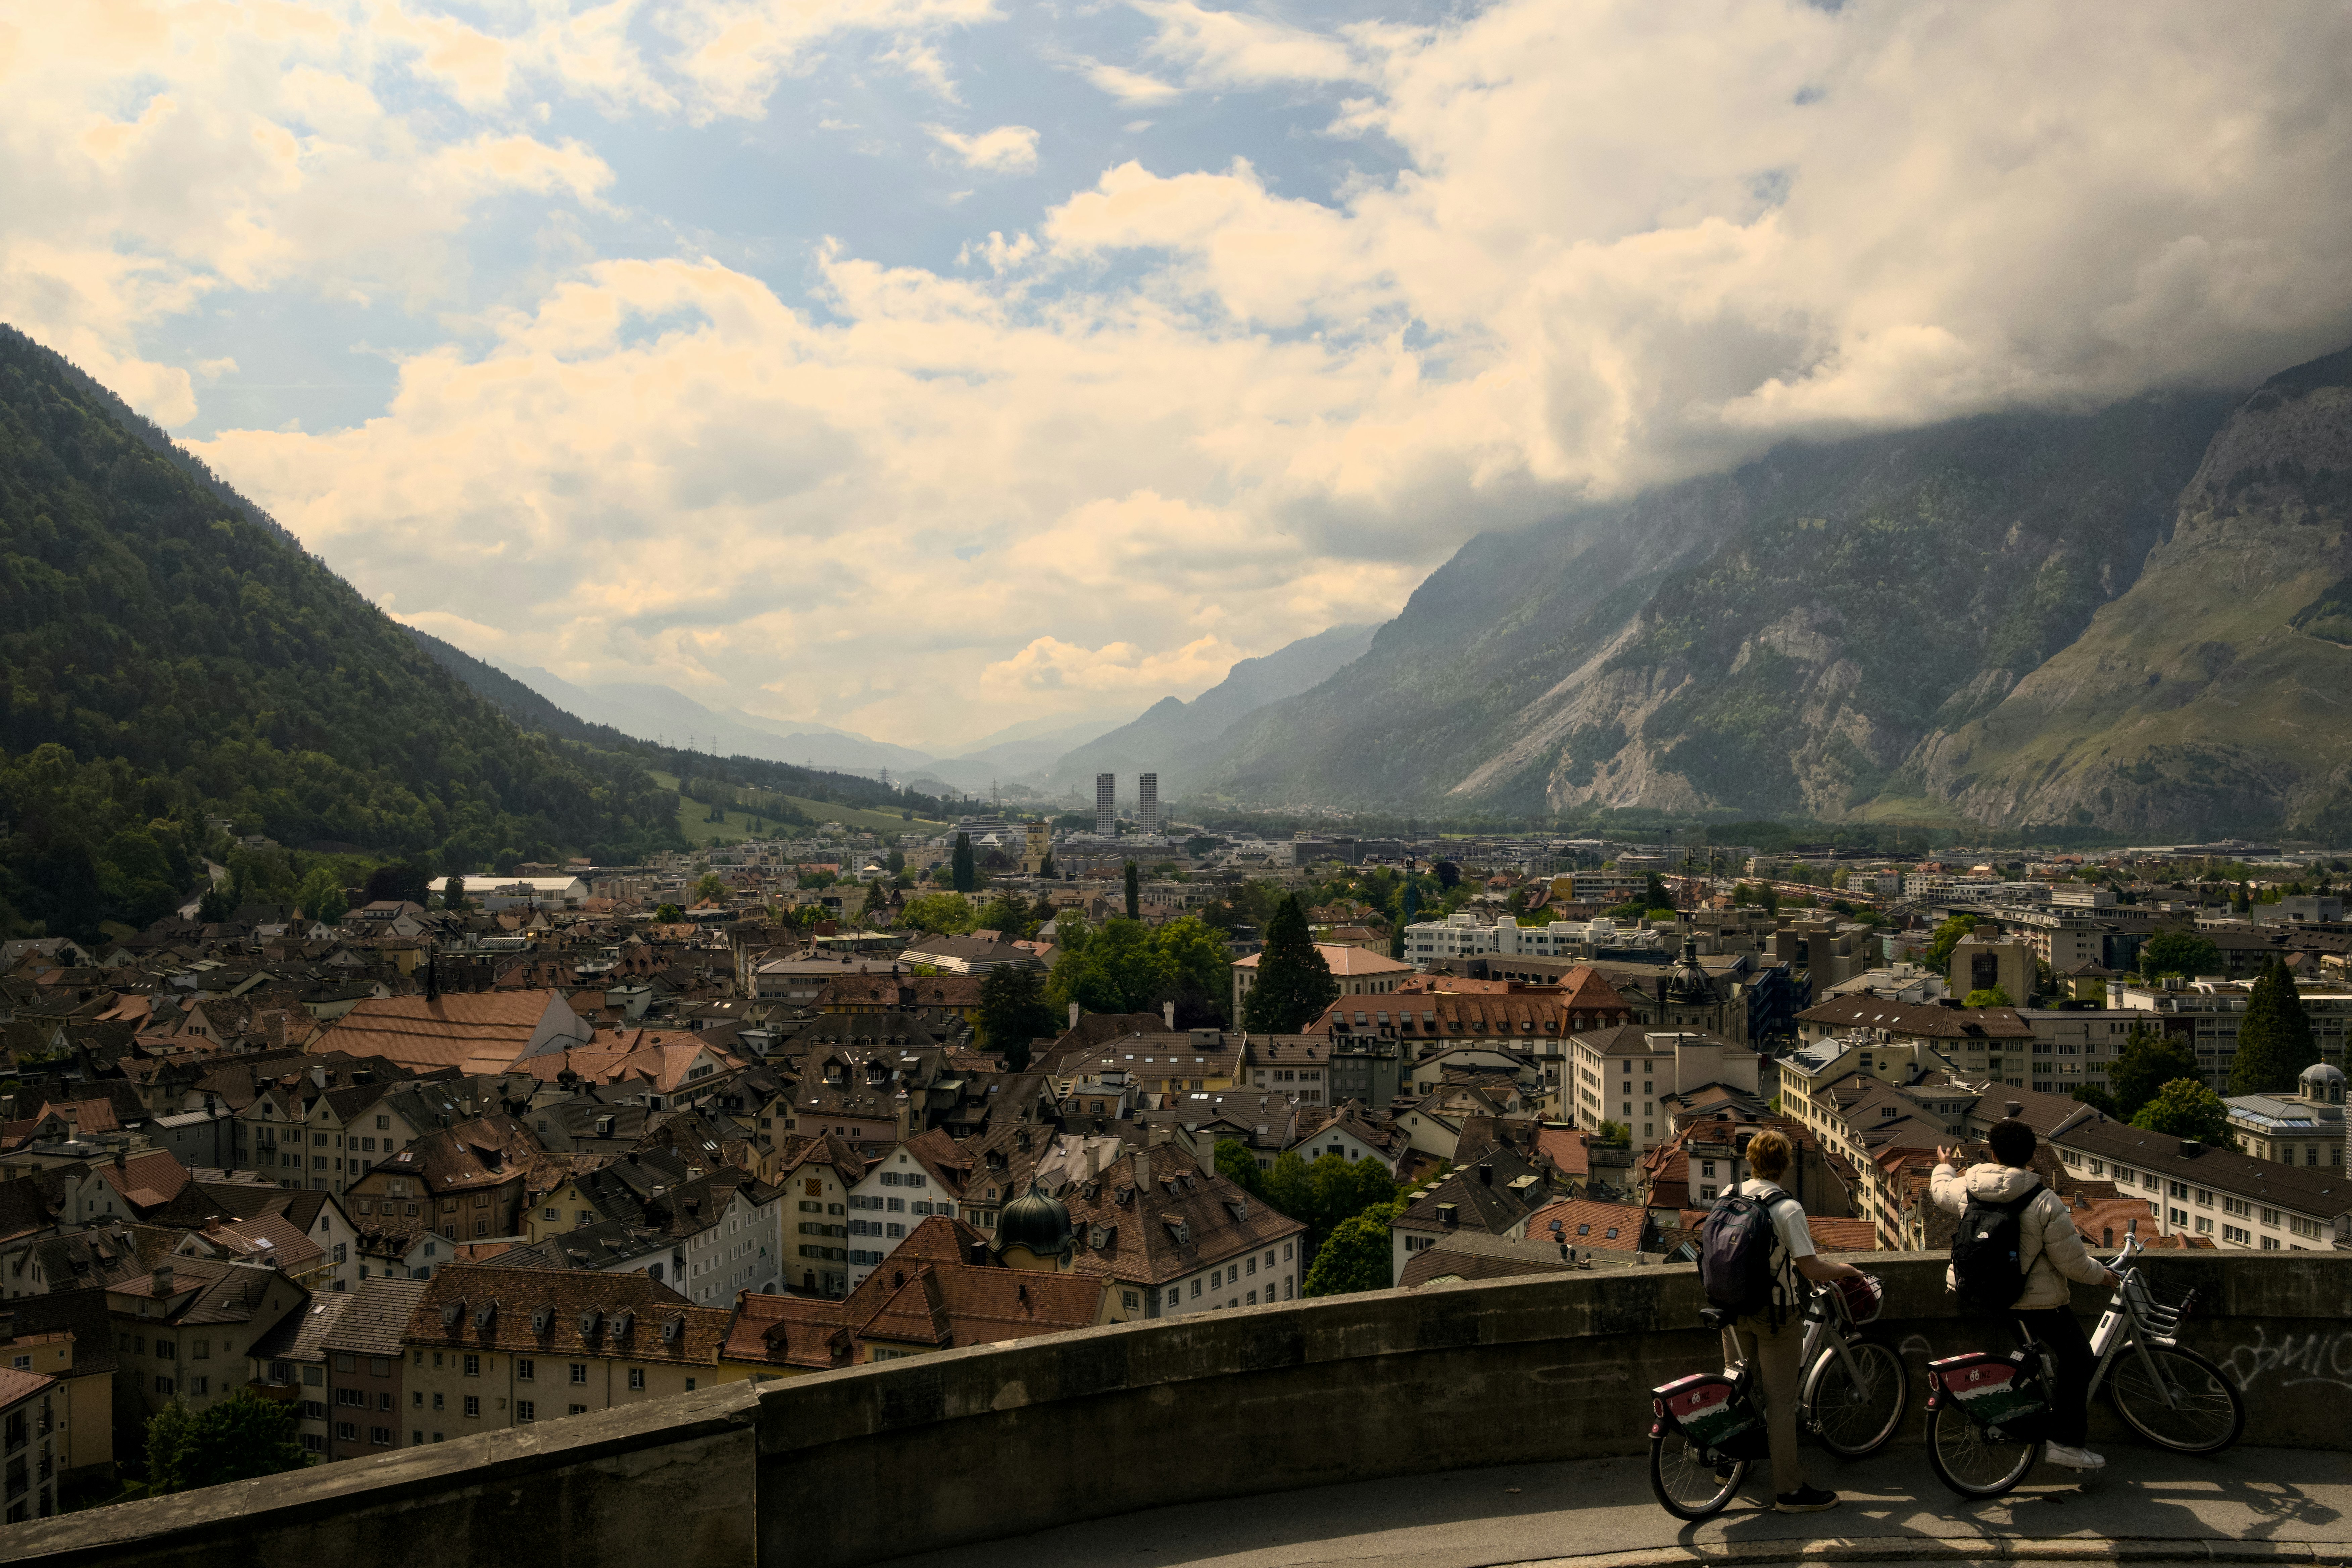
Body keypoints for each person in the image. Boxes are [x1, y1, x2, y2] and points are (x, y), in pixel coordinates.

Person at [1933, 1121, 2123, 1470]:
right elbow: (2073, 1263)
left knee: (2031, 1355)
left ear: (1992, 1152)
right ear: (2032, 1156)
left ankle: (2023, 1409)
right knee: (2079, 1357)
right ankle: (2066, 1442)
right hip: (2034, 1300)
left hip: (1980, 1292)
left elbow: (1940, 1190)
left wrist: (1945, 1163)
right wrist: (2105, 1277)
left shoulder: (1970, 1187)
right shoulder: (2044, 1200)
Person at [1721, 1129, 1863, 1514]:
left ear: (1751, 1159)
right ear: (1786, 1164)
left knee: (1738, 1386)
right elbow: (1812, 1268)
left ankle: (1726, 1465)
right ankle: (1789, 1491)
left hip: (1731, 1309)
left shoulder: (1729, 1194)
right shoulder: (1787, 1208)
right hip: (1774, 1314)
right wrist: (1847, 1269)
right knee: (1780, 1403)